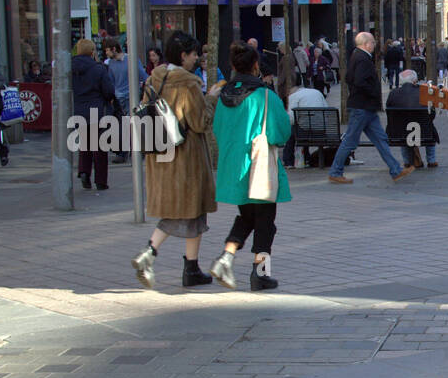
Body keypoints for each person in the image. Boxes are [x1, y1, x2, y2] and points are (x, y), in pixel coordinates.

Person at [131, 30, 220, 289]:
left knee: (187, 212)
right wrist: (211, 98)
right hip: (186, 159)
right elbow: (200, 122)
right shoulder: (188, 83)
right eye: (194, 55)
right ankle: (151, 253)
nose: (197, 59)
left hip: (161, 155)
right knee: (190, 208)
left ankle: (190, 267)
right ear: (184, 55)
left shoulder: (154, 78)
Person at [208, 42, 290, 291]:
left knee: (246, 216)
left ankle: (226, 257)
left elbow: (217, 130)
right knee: (265, 221)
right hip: (260, 166)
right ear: (256, 65)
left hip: (233, 167)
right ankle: (260, 274)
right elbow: (281, 131)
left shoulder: (223, 98)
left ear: (233, 66)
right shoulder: (265, 95)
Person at [326, 31, 415, 184]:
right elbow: (359, 81)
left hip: (365, 107)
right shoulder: (362, 59)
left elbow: (348, 78)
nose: (375, 44)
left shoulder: (356, 56)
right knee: (350, 141)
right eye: (373, 42)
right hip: (362, 107)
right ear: (366, 44)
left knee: (380, 139)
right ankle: (335, 171)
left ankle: (396, 170)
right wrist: (372, 93)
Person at [72, 39, 117, 190]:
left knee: (85, 143)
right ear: (92, 52)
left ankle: (84, 171)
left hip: (78, 110)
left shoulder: (70, 68)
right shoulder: (98, 68)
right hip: (97, 110)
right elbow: (109, 90)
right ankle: (100, 180)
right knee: (100, 146)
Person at [103, 38, 147, 163]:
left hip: (130, 96)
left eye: (107, 50)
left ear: (114, 49)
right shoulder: (110, 63)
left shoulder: (131, 59)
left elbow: (142, 75)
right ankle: (126, 151)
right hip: (118, 97)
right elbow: (111, 81)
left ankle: (134, 150)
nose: (106, 53)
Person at [385, 69, 439, 169]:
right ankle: (431, 160)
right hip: (423, 131)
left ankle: (407, 161)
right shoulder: (424, 93)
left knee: (402, 127)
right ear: (415, 81)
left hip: (398, 132)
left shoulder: (393, 93)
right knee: (430, 127)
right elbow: (432, 114)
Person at [286, 79, 331, 168]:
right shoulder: (317, 92)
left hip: (304, 132)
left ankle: (288, 161)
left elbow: (291, 119)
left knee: (291, 131)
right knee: (303, 126)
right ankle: (306, 158)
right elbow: (327, 110)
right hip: (321, 131)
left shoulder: (293, 96)